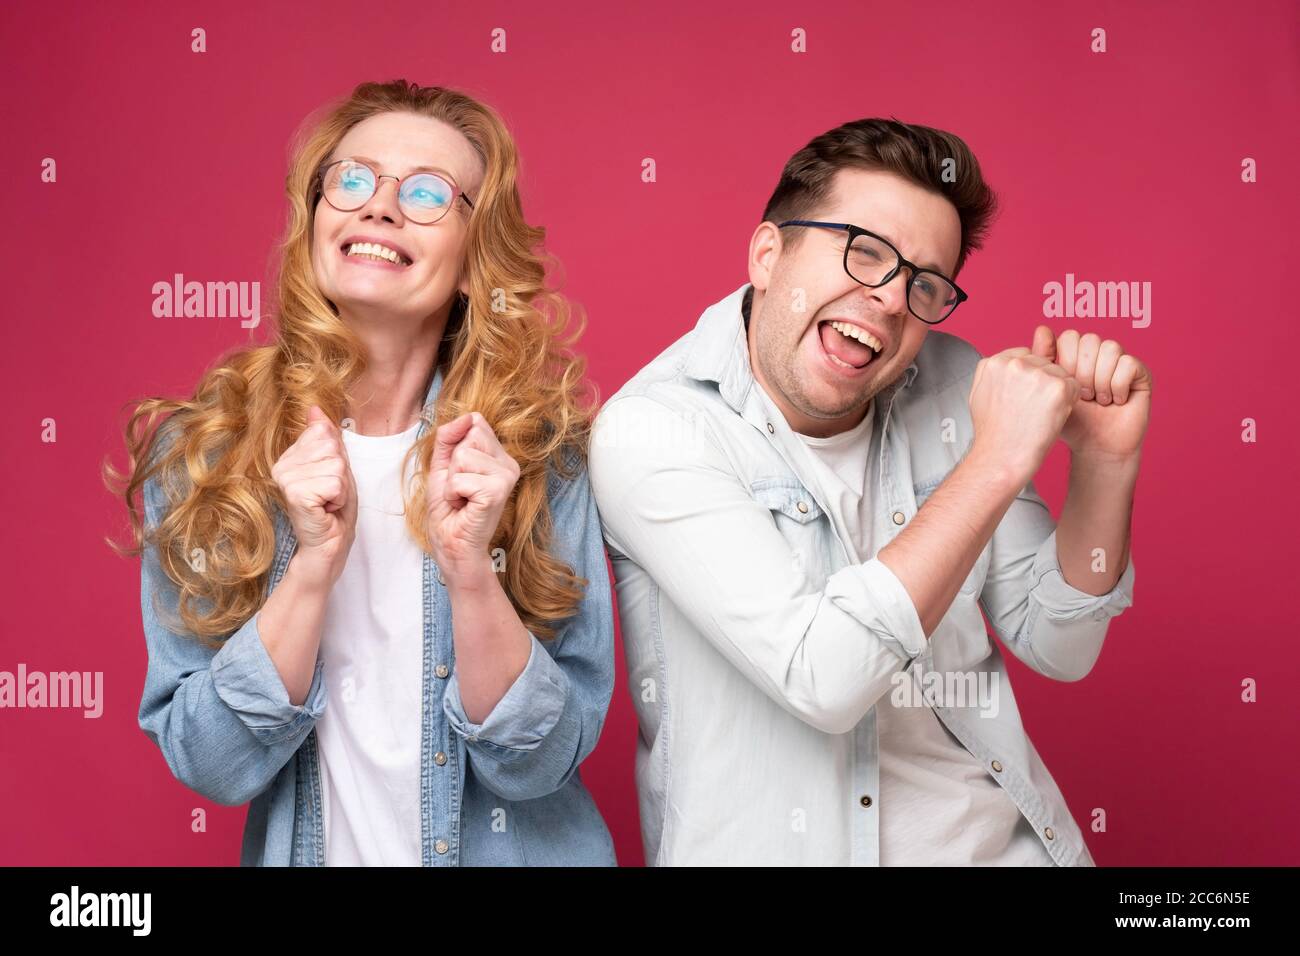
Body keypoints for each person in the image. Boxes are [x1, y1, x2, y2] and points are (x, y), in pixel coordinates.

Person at [588, 118, 1149, 866]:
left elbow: (1059, 644)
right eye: (864, 252)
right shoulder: (653, 431)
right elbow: (823, 676)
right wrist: (995, 461)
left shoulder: (952, 384)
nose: (888, 299)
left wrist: (1105, 467)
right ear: (767, 255)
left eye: (924, 284)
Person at [107, 79, 617, 866]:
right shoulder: (207, 453)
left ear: (477, 262)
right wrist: (311, 569)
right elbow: (210, 765)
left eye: (427, 193)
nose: (378, 207)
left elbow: (539, 766)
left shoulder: (540, 459)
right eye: (351, 179)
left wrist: (471, 571)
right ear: (316, 218)